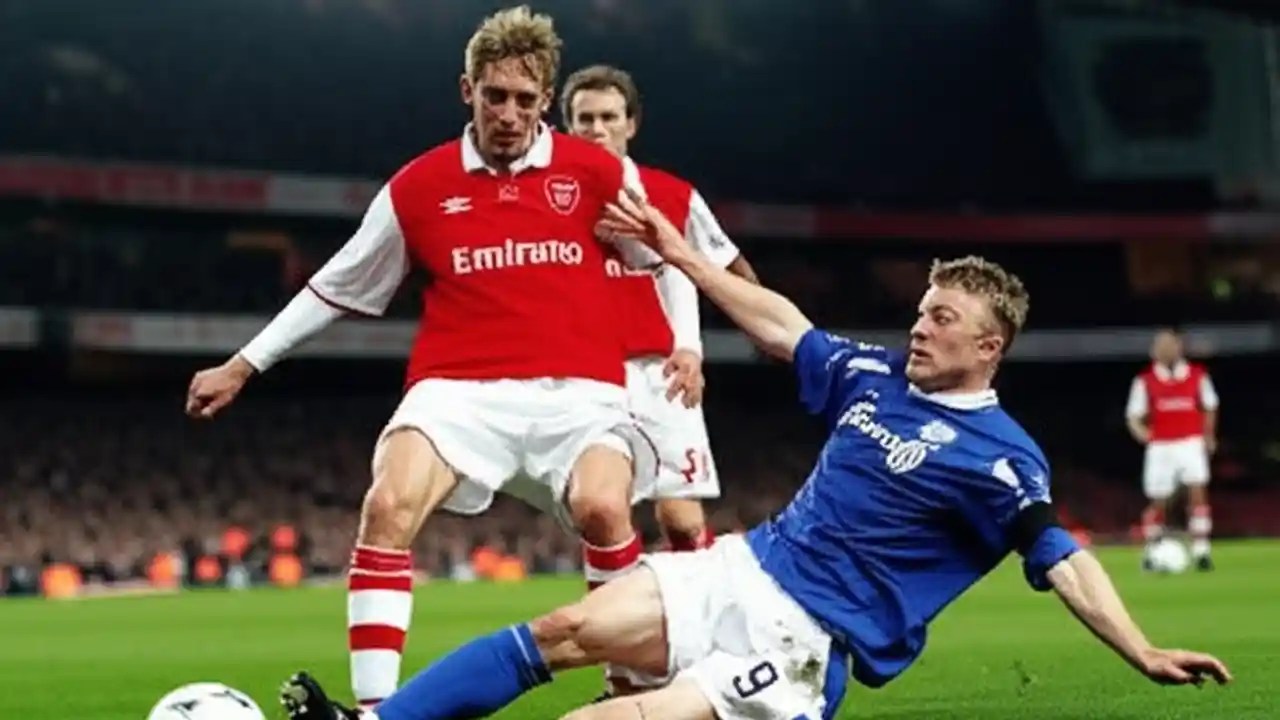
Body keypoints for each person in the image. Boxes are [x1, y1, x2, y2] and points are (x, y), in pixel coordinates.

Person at [278, 194, 1231, 720]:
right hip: (743, 566)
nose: (919, 326)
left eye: (942, 319)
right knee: (562, 631)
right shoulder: (873, 376)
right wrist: (687, 262)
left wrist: (1139, 649)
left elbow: (1058, 555)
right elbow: (785, 326)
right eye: (921, 309)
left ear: (990, 346)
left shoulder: (1001, 457)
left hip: (803, 645)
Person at [185, 6, 670, 711]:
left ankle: (626, 686)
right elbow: (337, 284)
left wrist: (684, 341)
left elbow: (666, 257)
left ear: (546, 101)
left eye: (526, 100)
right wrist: (244, 363)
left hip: (579, 391)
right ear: (465, 89)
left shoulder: (596, 172)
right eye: (494, 95)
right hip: (459, 389)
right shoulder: (419, 186)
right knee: (386, 505)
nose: (509, 113)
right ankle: (377, 712)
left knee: (603, 506)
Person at [560, 62, 761, 699]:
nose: (596, 129)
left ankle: (702, 655)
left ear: (631, 124)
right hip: (587, 379)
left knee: (679, 521)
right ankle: (621, 678)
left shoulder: (672, 195)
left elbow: (724, 265)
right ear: (566, 126)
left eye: (607, 118)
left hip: (660, 373)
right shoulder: (547, 199)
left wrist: (766, 334)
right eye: (584, 118)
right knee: (606, 516)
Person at [1125, 327, 1220, 571]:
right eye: (1161, 345)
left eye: (1170, 344)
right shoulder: (1145, 381)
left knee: (1197, 491)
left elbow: (1210, 406)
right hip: (1161, 446)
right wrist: (1145, 436)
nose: (1166, 349)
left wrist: (1208, 436)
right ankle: (1151, 549)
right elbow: (1133, 415)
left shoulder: (1197, 375)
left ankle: (1201, 550)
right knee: (1158, 501)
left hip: (1190, 441)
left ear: (1179, 347)